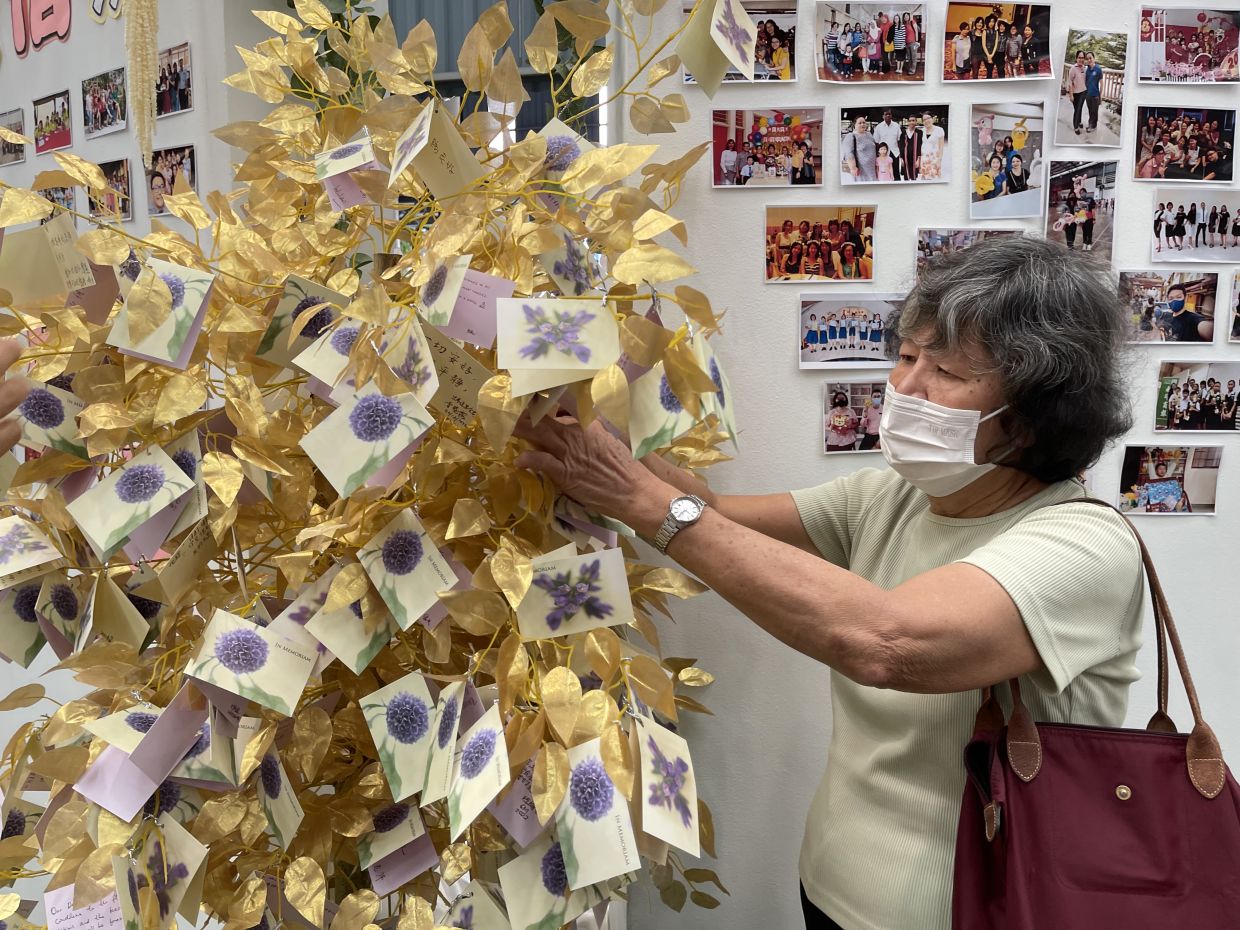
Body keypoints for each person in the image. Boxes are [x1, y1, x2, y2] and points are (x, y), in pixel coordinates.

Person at [512, 236, 1144, 930]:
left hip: (983, 909)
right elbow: (715, 515)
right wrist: (589, 430)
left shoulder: (1084, 544)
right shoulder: (893, 498)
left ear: (1030, 417)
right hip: (831, 885)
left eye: (946, 371)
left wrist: (638, 499)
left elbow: (886, 642)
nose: (905, 387)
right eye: (906, 356)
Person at [841, 115, 877, 182]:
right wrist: (853, 168)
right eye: (860, 123)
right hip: (861, 170)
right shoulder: (851, 136)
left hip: (872, 169)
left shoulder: (869, 135)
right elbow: (849, 153)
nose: (862, 124)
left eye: (864, 122)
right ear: (855, 125)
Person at [872, 109, 901, 178]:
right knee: (885, 173)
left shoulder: (896, 126)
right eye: (886, 114)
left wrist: (901, 154)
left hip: (895, 153)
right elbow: (876, 142)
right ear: (883, 116)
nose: (888, 116)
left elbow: (899, 140)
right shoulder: (879, 127)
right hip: (883, 154)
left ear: (891, 115)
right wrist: (878, 154)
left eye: (889, 114)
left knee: (896, 173)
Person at [1064, 51, 1087, 135]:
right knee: (1077, 109)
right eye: (1079, 57)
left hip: (1083, 92)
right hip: (1075, 93)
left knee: (1079, 108)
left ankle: (1078, 123)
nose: (1081, 59)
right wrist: (1071, 95)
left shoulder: (1085, 68)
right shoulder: (1073, 68)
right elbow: (1070, 82)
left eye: (1082, 58)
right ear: (1076, 58)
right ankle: (1076, 125)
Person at [918, 111, 945, 180]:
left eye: (928, 118)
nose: (926, 121)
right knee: (924, 180)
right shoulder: (921, 131)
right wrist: (918, 159)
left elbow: (941, 147)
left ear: (932, 119)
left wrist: (939, 160)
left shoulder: (939, 130)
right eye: (924, 120)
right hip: (924, 160)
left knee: (934, 179)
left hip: (934, 160)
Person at [1083, 52, 1104, 133]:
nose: (1089, 60)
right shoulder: (1087, 69)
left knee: (1094, 112)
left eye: (1090, 58)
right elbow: (1085, 81)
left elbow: (1102, 84)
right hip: (1088, 94)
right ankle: (1090, 124)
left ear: (1094, 58)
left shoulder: (1098, 69)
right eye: (1087, 59)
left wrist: (1100, 96)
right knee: (1090, 110)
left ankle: (1093, 126)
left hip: (1095, 95)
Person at [898, 116, 922, 182]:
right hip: (905, 157)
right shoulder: (903, 133)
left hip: (915, 157)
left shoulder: (919, 132)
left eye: (913, 120)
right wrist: (901, 158)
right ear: (908, 122)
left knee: (914, 176)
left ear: (916, 122)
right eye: (910, 121)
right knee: (906, 176)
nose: (912, 122)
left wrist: (918, 159)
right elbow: (901, 146)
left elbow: (919, 146)